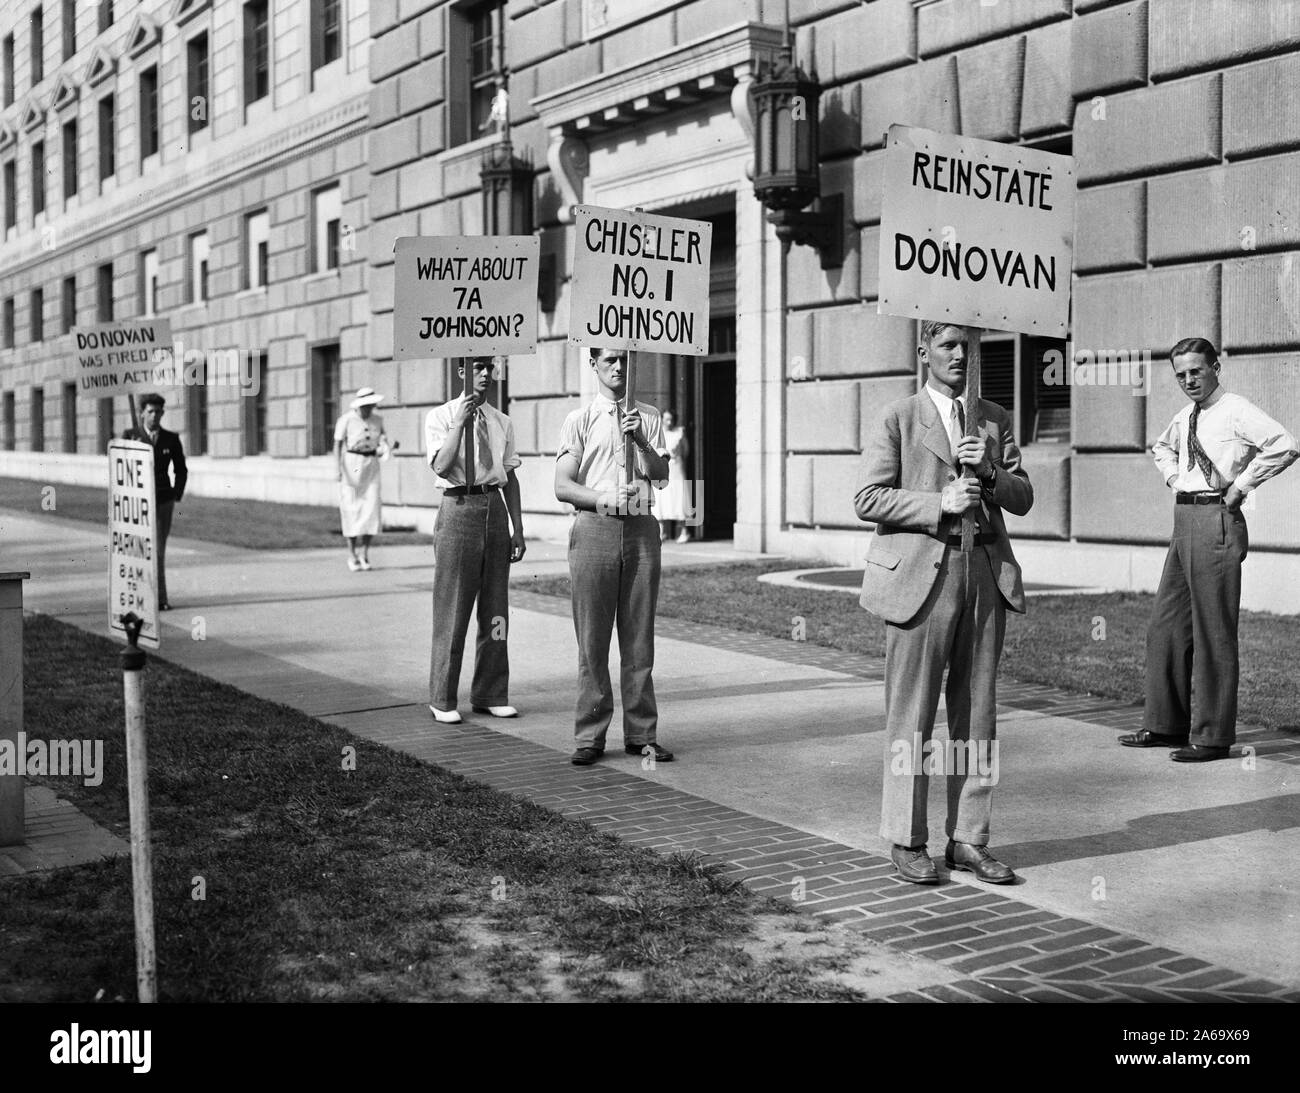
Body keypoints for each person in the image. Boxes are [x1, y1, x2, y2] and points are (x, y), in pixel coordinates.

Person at [855, 321, 1033, 885]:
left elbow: (1023, 496)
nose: (961, 355)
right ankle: (908, 839)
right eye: (950, 344)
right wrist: (940, 500)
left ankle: (969, 839)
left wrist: (990, 472)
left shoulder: (994, 419)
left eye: (969, 345)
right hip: (920, 576)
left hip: (982, 570)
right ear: (924, 351)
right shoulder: (898, 417)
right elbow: (868, 498)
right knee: (912, 716)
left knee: (977, 713)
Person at [1120, 338, 1298, 762]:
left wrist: (1242, 486)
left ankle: (1214, 736)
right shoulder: (1186, 415)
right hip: (1184, 521)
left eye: (1196, 371)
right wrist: (1173, 479)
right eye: (1181, 374)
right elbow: (1162, 448)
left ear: (1215, 367)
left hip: (1216, 518)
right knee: (1165, 627)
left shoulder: (1235, 409)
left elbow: (1284, 443)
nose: (1188, 380)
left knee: (1214, 632)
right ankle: (1165, 725)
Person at [555, 347, 675, 766]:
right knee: (592, 638)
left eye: (625, 359)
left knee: (639, 637)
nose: (619, 367)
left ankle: (642, 733)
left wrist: (640, 437)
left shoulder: (649, 415)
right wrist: (604, 497)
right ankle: (590, 735)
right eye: (609, 360)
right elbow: (563, 486)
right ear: (593, 365)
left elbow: (661, 479)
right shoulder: (580, 419)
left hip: (641, 530)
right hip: (596, 530)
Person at [424, 355, 526, 724]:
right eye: (478, 367)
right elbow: (440, 465)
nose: (485, 374)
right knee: (453, 606)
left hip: (493, 507)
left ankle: (490, 692)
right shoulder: (439, 416)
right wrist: (459, 423)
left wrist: (517, 526)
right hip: (458, 505)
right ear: (463, 371)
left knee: (496, 609)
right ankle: (442, 697)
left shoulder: (502, 421)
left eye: (490, 367)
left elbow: (510, 476)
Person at [122, 392, 187, 611]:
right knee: (137, 549)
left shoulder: (171, 438)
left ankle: (160, 599)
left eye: (159, 412)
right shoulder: (131, 436)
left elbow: (181, 470)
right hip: (137, 502)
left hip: (162, 501)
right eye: (150, 411)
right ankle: (139, 597)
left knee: (158, 550)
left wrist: (175, 494)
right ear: (141, 414)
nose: (154, 416)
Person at [334, 388, 389, 571]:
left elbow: (383, 441)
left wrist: (385, 448)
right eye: (366, 405)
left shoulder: (378, 420)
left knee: (371, 508)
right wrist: (338, 468)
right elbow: (337, 444)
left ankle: (364, 553)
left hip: (371, 465)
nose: (369, 408)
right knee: (351, 508)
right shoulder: (346, 420)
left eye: (371, 405)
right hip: (351, 465)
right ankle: (352, 554)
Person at [655, 409, 693, 544]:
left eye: (671, 419)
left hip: (676, 469)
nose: (669, 422)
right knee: (662, 498)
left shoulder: (679, 433)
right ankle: (662, 532)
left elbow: (686, 451)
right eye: (666, 419)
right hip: (663, 470)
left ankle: (684, 532)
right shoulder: (658, 433)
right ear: (662, 419)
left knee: (679, 498)